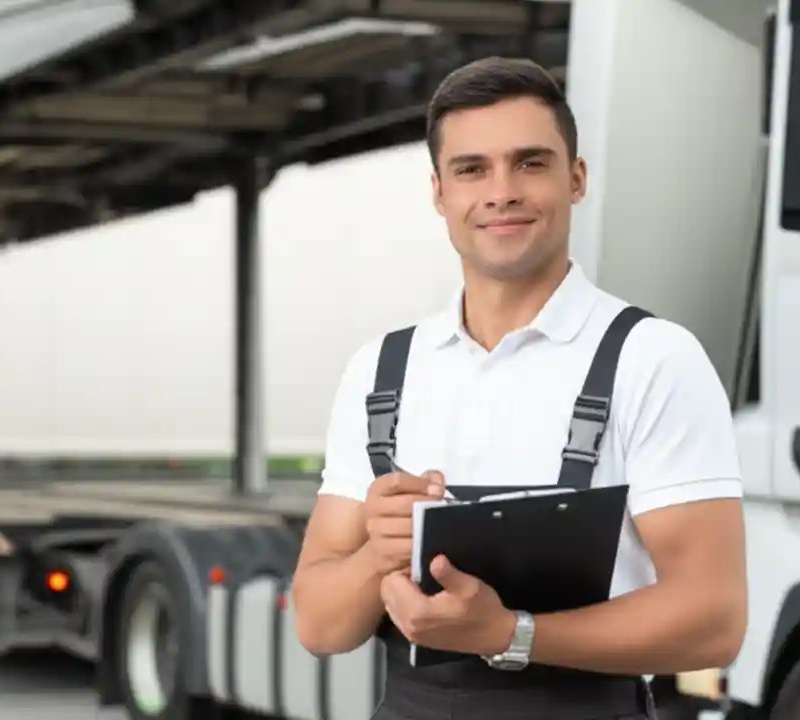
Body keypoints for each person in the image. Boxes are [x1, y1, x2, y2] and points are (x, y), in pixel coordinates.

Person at [292, 55, 747, 720]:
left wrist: (508, 634)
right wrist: (377, 555)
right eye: (472, 169)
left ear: (577, 179)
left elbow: (714, 619)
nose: (501, 190)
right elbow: (319, 625)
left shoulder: (651, 359)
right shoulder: (380, 371)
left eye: (530, 163)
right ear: (440, 193)